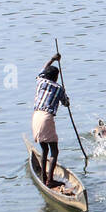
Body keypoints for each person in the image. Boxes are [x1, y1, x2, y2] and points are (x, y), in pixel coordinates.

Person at [32, 53, 70, 187]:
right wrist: (65, 94)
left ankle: (44, 177)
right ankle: (50, 180)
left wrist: (53, 59)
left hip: (36, 116)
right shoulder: (58, 88)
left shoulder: (40, 81)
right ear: (56, 78)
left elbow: (44, 69)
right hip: (46, 118)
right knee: (54, 151)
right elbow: (66, 103)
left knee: (44, 150)